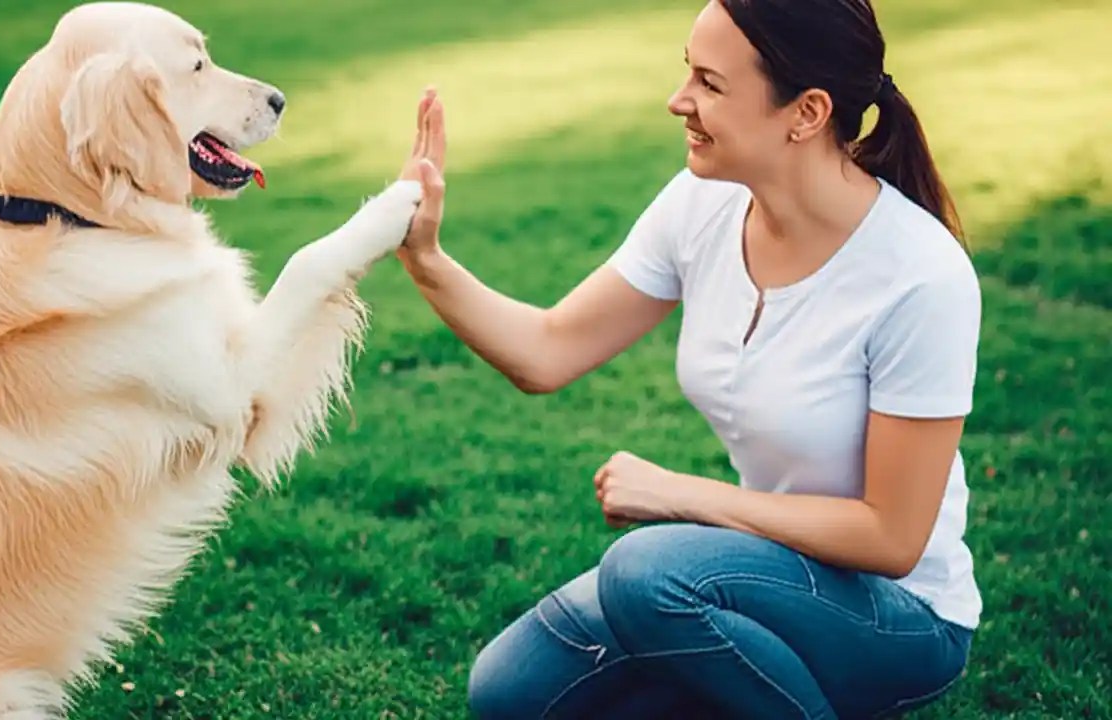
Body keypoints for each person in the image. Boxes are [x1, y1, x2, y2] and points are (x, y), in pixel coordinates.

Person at [394, 0, 981, 717]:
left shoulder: (920, 275)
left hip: (897, 616)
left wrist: (683, 496)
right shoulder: (701, 206)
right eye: (687, 74)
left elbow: (892, 536)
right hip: (754, 575)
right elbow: (547, 352)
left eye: (709, 83)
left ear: (806, 112)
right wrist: (426, 259)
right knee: (510, 693)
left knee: (647, 574)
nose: (680, 101)